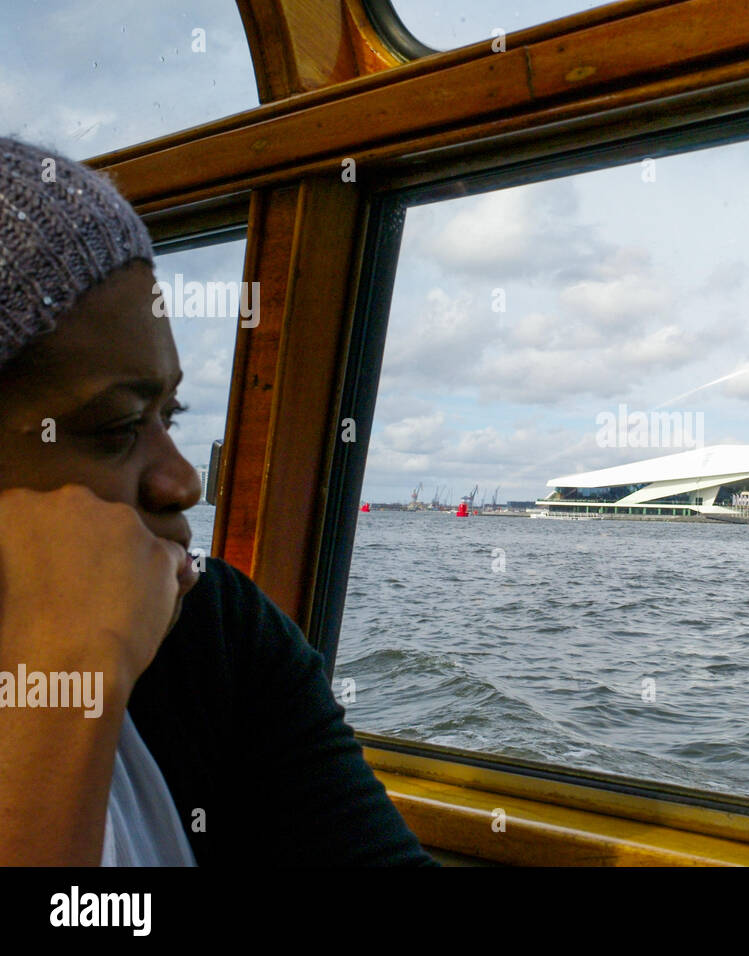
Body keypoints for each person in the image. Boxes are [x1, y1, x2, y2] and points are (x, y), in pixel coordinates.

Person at [0, 136, 433, 866]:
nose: (184, 482)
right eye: (115, 427)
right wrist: (66, 685)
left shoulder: (215, 630)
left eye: (168, 416)